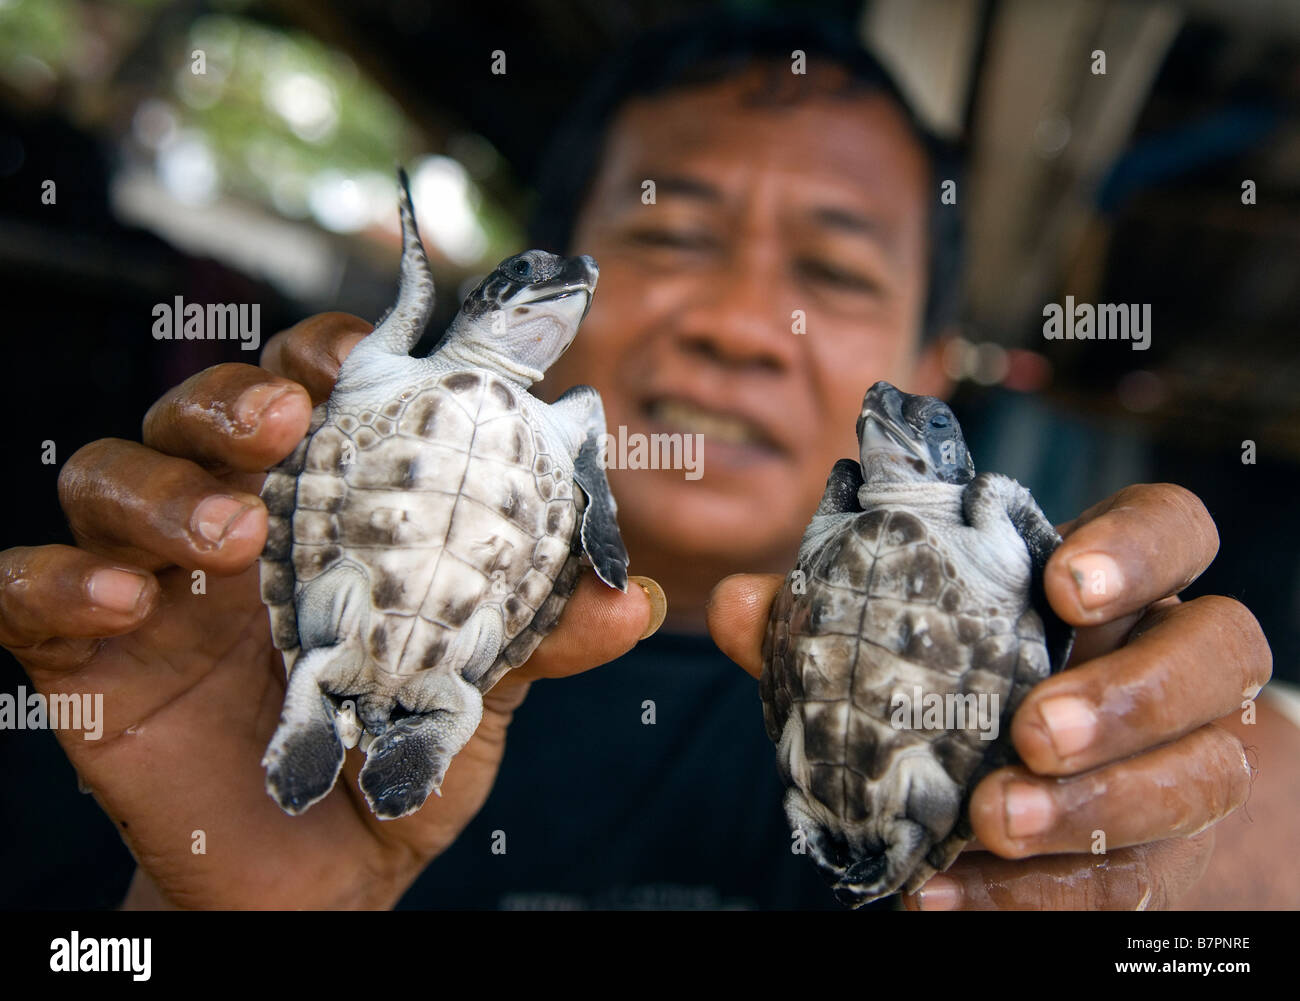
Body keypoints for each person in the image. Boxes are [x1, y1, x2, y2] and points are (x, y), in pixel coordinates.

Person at [2, 12, 1288, 910]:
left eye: (833, 269)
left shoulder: (1039, 725)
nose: (738, 322)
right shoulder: (167, 671)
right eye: (672, 238)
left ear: (931, 360)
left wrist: (1216, 867)